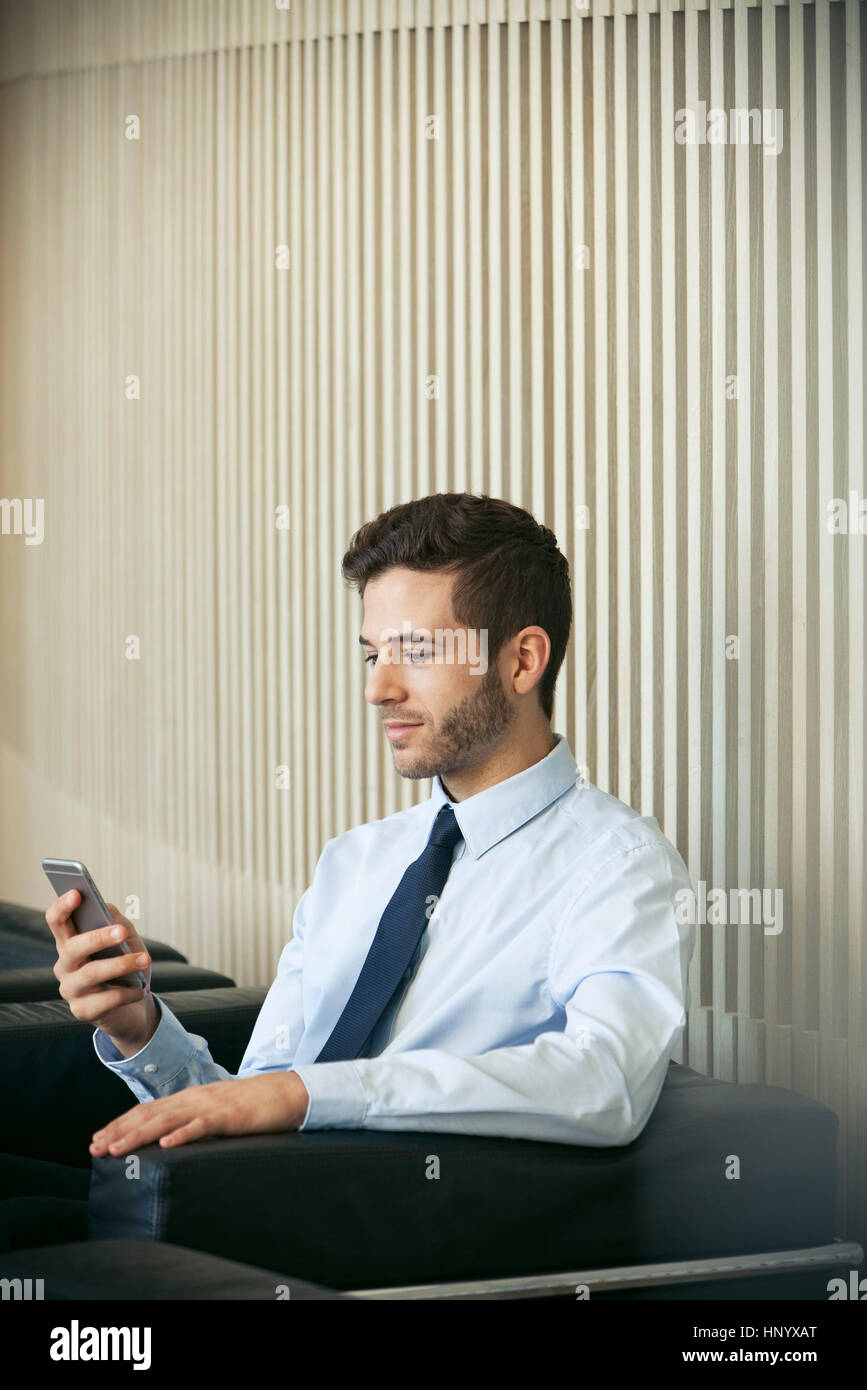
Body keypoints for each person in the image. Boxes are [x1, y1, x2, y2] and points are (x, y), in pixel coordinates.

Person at [9, 493, 695, 1244]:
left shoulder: (616, 865)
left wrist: (310, 1094)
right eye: (374, 654)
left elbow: (604, 1082)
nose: (377, 688)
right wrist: (139, 1026)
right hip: (242, 1207)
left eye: (417, 652)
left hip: (380, 1230)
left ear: (522, 658)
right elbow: (250, 1102)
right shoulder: (358, 861)